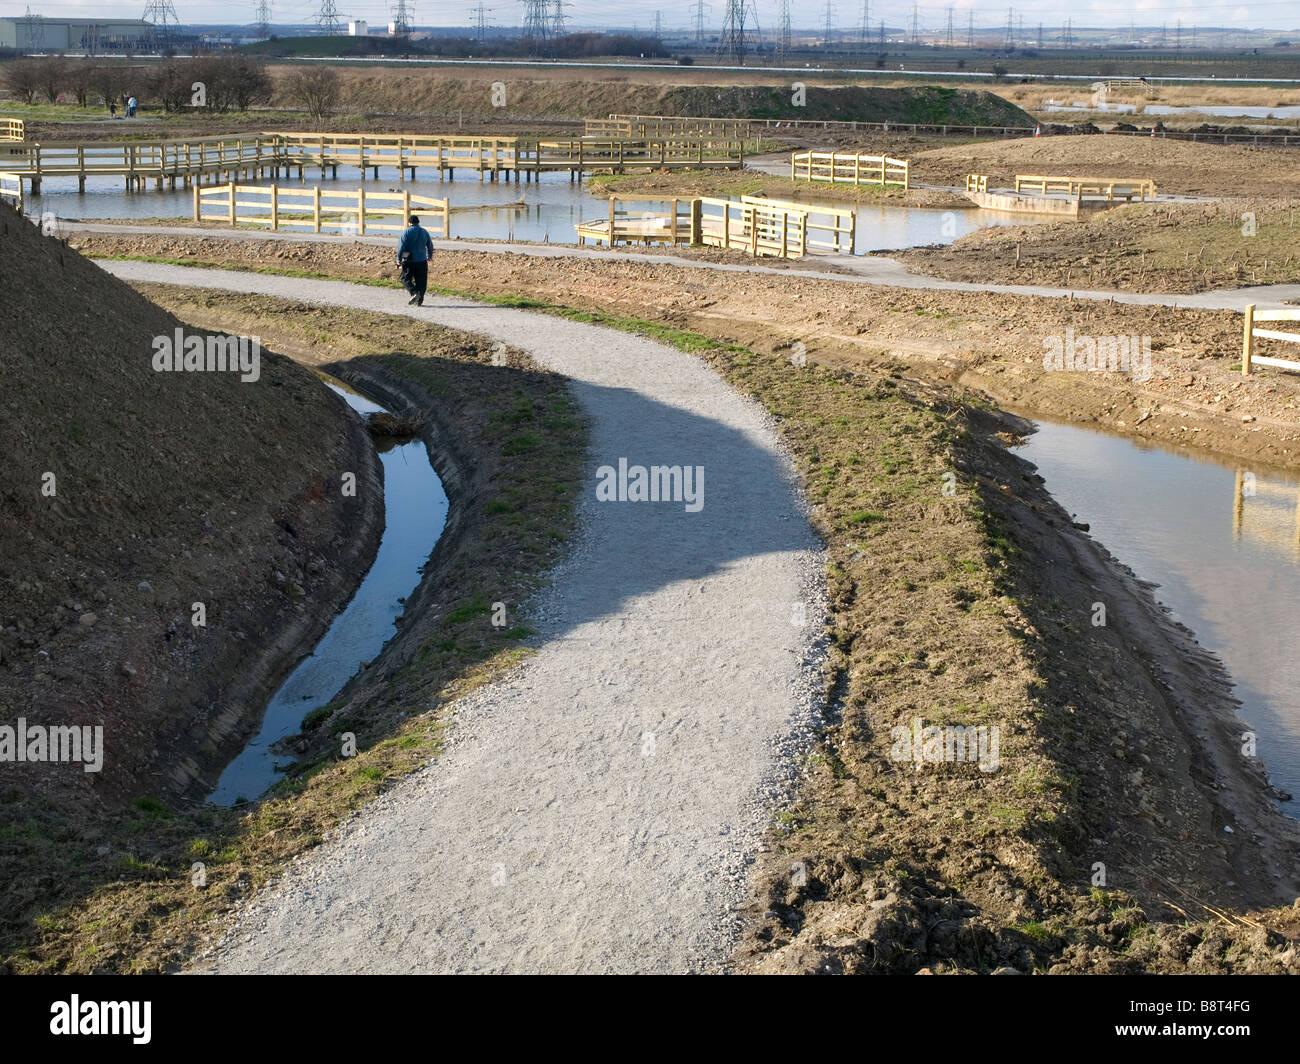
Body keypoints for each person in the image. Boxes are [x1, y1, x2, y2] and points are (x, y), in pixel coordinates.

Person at [396, 214, 434, 307]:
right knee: (421, 281)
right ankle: (419, 300)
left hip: (409, 260)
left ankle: (414, 293)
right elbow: (430, 245)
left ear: (409, 223)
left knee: (404, 278)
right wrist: (429, 256)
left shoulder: (406, 232)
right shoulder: (424, 232)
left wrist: (398, 259)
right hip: (422, 260)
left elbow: (401, 247)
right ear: (418, 222)